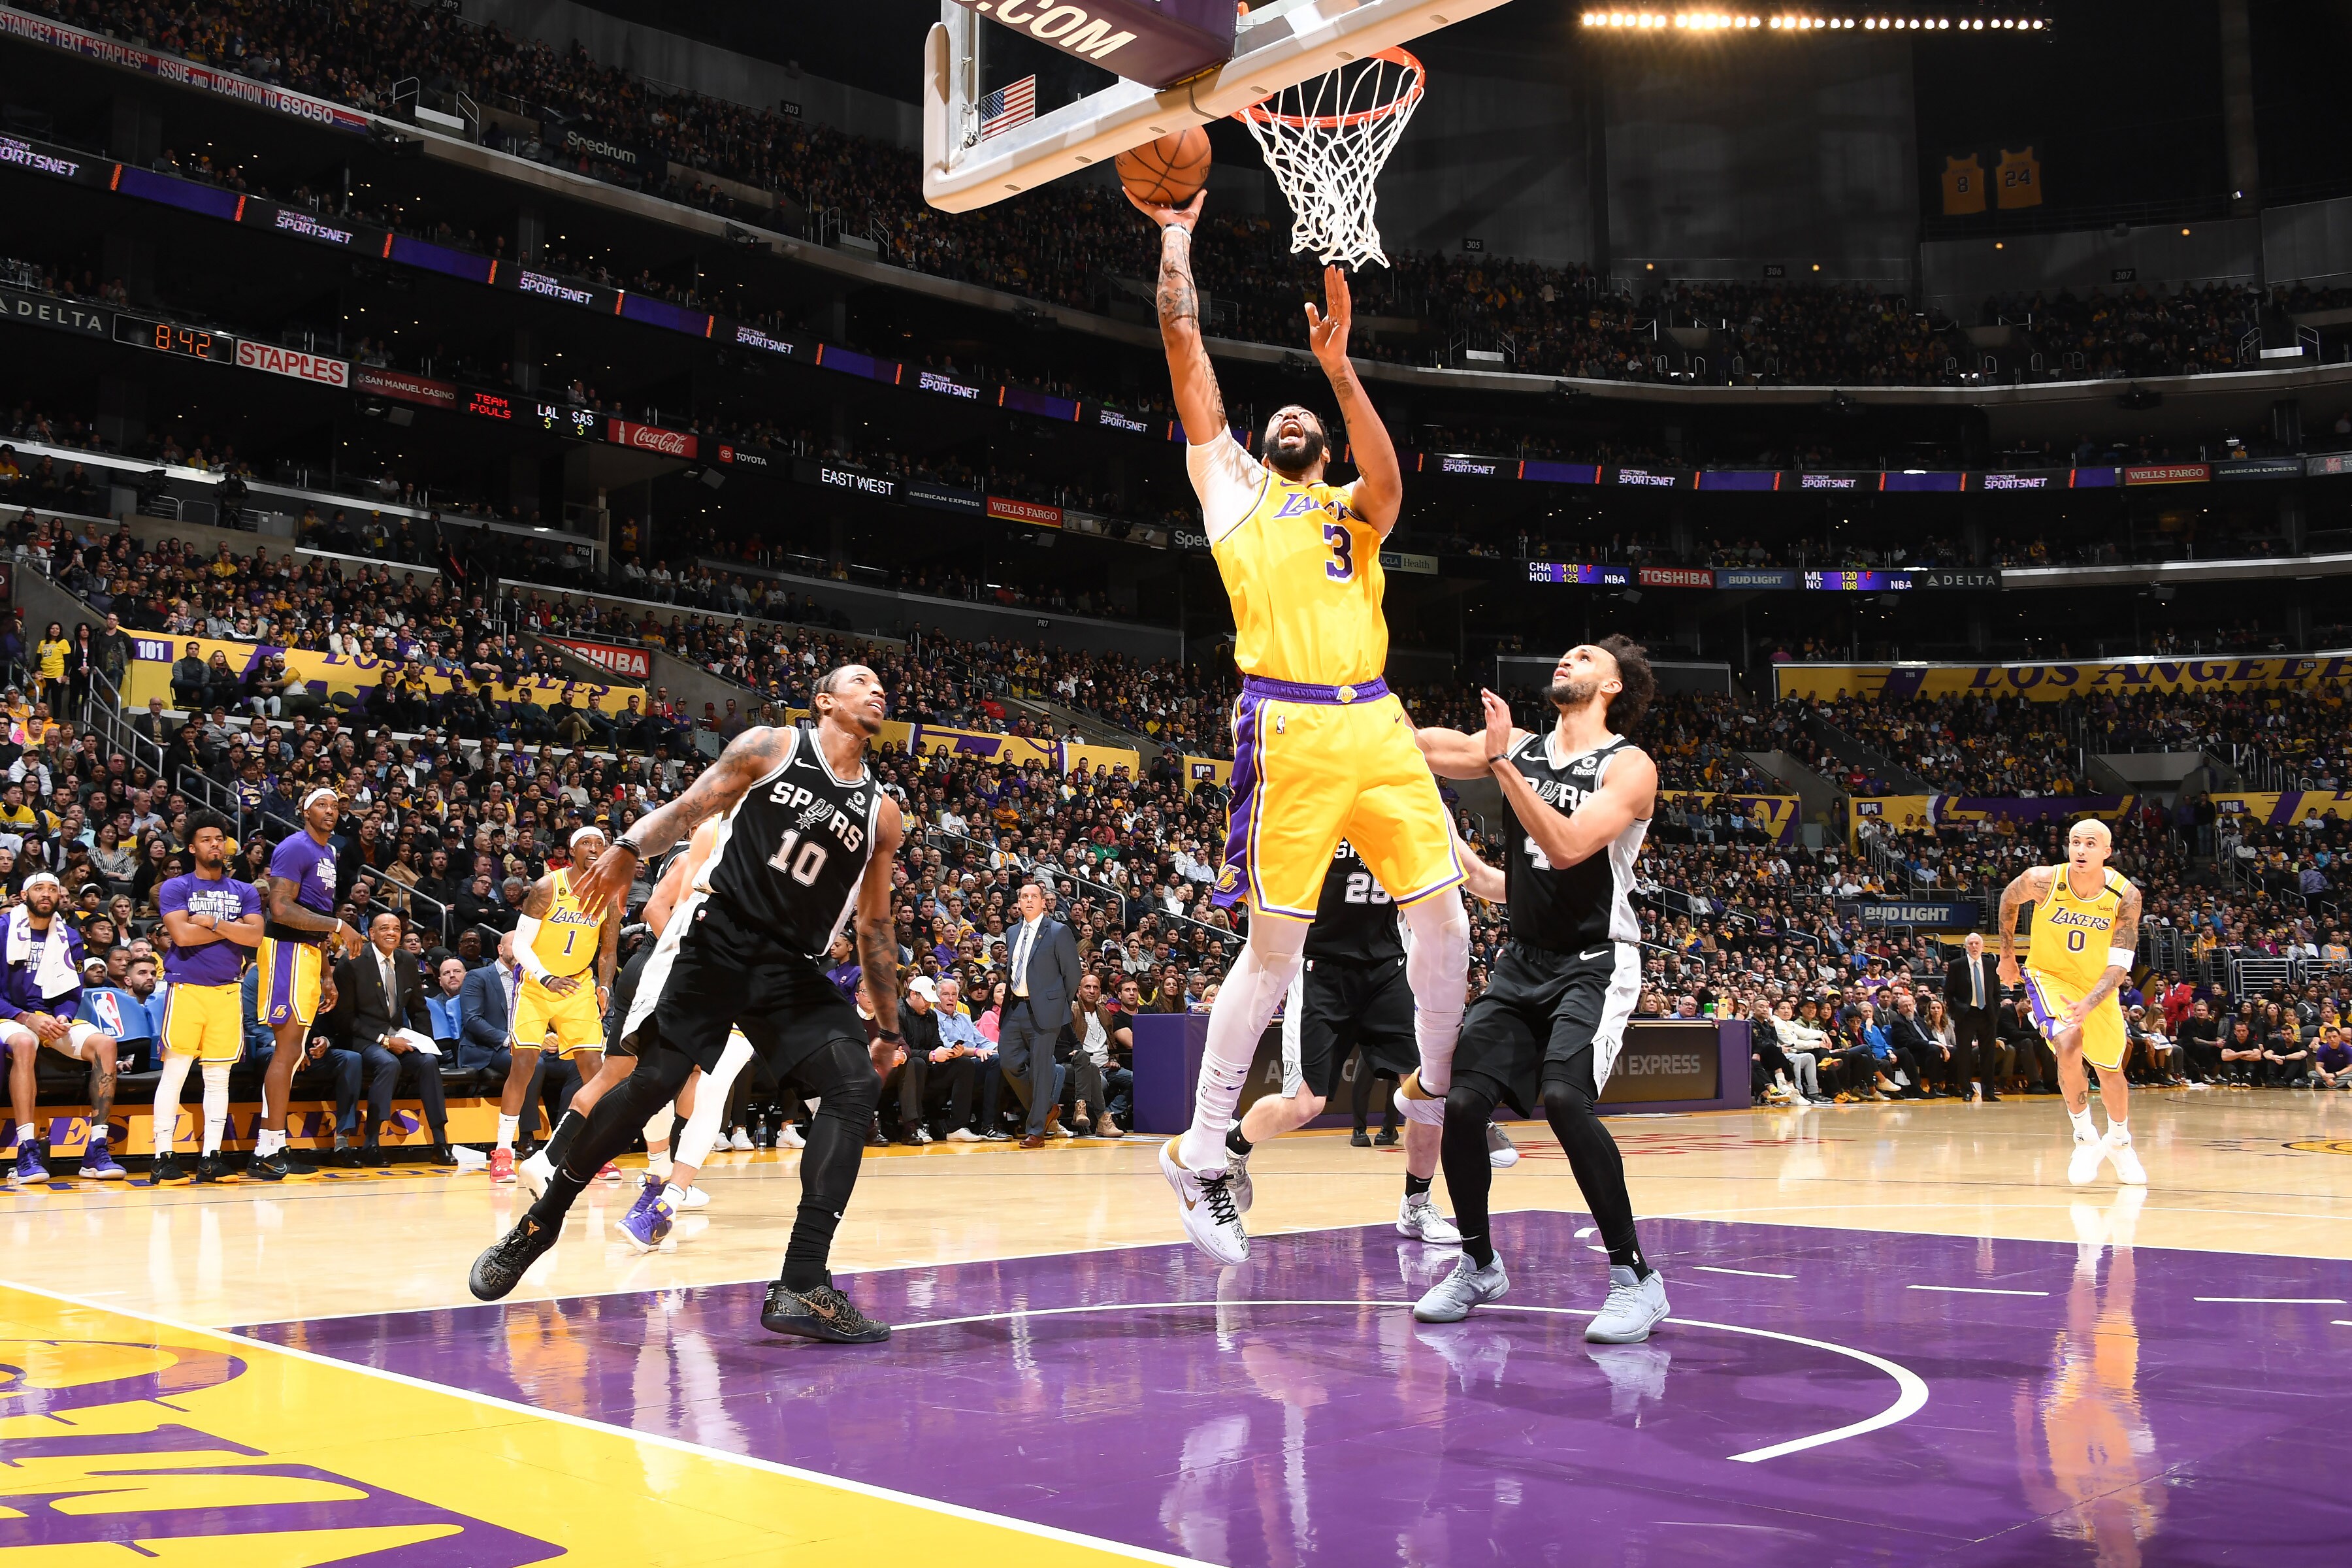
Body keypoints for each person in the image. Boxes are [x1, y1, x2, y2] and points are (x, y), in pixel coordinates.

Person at [1132, 184, 1470, 1267]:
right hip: (1287, 727)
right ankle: (1201, 1152)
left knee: (1449, 930)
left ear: (1320, 443)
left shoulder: (1353, 512)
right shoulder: (1233, 488)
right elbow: (1182, 342)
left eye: (1304, 419)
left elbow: (1389, 477)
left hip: (1376, 720)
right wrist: (1177, 238)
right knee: (1272, 959)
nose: (1287, 421)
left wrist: (1337, 365)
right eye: (1277, 416)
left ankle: (1439, 1100)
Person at [468, 664, 906, 1345]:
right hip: (721, 938)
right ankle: (540, 1222)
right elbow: (686, 810)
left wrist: (888, 1024)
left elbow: (875, 925)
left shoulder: (882, 812)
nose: (877, 691)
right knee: (657, 1081)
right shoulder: (774, 747)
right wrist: (625, 847)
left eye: (882, 685)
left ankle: (802, 1284)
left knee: (853, 1086)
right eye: (860, 681)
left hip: (793, 966)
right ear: (824, 701)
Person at [1406, 641, 1669, 1342]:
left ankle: (1635, 1278)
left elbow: (1566, 848)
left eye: (1583, 657)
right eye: (1565, 654)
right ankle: (1479, 1264)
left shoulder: (1629, 766)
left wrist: (1497, 763)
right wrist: (1359, 707)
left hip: (1596, 961)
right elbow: (1418, 746)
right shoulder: (1519, 746)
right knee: (1461, 1105)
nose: (1565, 660)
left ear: (1611, 684)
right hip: (1522, 962)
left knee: (1563, 1099)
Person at [1228, 840, 1459, 1241]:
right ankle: (1234, 1147)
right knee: (1305, 1105)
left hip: (1387, 970)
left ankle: (1417, 1204)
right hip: (1322, 970)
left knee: (1427, 1091)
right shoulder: (1323, 808)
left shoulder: (1396, 810)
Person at [1999, 819, 2148, 1187]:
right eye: (2075, 842)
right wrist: (2007, 955)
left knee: (2112, 1071)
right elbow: (2007, 899)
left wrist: (2091, 1001)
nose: (2081, 850)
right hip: (2048, 976)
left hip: (2097, 988)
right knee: (2068, 1042)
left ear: (2107, 852)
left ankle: (2119, 1141)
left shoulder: (2126, 896)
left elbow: (2120, 964)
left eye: (2091, 844)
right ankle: (2084, 1137)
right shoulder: (2043, 880)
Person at [489, 826, 623, 1184]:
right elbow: (520, 946)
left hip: (578, 985)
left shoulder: (610, 894)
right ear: (570, 849)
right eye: (586, 843)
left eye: (600, 844)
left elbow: (608, 951)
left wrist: (606, 985)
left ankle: (592, 1151)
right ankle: (503, 1150)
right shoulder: (548, 887)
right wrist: (546, 977)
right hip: (536, 984)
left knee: (594, 1067)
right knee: (524, 1063)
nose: (594, 849)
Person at [148, 815, 263, 1184]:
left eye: (220, 839)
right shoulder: (175, 887)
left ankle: (211, 1156)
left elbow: (256, 938)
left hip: (228, 990)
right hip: (186, 987)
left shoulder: (245, 890)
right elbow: (181, 936)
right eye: (207, 839)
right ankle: (163, 1155)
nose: (215, 844)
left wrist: (212, 923)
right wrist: (234, 931)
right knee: (176, 1072)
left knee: (219, 1077)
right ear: (193, 847)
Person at [253, 788, 360, 1181]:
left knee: (294, 1053)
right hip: (285, 951)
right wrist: (337, 926)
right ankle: (266, 1149)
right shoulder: (294, 847)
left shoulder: (330, 853)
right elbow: (280, 908)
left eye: (335, 805)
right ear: (304, 811)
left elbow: (316, 913)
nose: (330, 810)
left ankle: (276, 1145)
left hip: (310, 954)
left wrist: (327, 972)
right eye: (321, 804)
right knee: (286, 1051)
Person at [3, 872, 123, 1183]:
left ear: (60, 898)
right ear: (25, 895)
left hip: (49, 1019)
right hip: (9, 1016)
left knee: (106, 1044)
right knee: (24, 1042)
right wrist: (25, 1017)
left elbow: (72, 993)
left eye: (52, 889)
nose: (46, 894)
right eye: (39, 889)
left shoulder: (69, 936)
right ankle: (27, 1149)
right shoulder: (3, 930)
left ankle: (96, 1148)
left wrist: (64, 1017)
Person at [330, 911, 454, 1166]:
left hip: (397, 1034)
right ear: (372, 934)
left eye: (397, 929)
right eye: (384, 928)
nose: (392, 933)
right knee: (388, 1063)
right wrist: (384, 1041)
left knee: (428, 1062)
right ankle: (372, 1143)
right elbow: (344, 1019)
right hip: (360, 1037)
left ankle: (440, 1142)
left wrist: (425, 1042)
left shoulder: (407, 960)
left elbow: (418, 1010)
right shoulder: (351, 962)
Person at [998, 880, 1080, 1147]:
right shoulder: (1011, 932)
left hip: (1046, 1010)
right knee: (1008, 1061)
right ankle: (1044, 1109)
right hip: (1015, 1007)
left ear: (1044, 902)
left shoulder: (1058, 931)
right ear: (1019, 903)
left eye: (1035, 896)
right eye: (1024, 896)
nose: (1029, 900)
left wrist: (1057, 1004)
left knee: (1042, 1070)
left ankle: (1036, 1131)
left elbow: (1073, 974)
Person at [1944, 931, 2004, 1101]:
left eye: (1977, 943)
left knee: (1988, 1054)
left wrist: (1996, 1010)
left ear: (1982, 946)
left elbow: (1997, 992)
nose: (1974, 946)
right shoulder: (1957, 965)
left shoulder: (1992, 965)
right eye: (1971, 944)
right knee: (1964, 1054)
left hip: (1987, 1014)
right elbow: (1949, 993)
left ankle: (1988, 1091)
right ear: (1966, 947)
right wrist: (1957, 1011)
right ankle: (1966, 1090)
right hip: (1966, 1014)